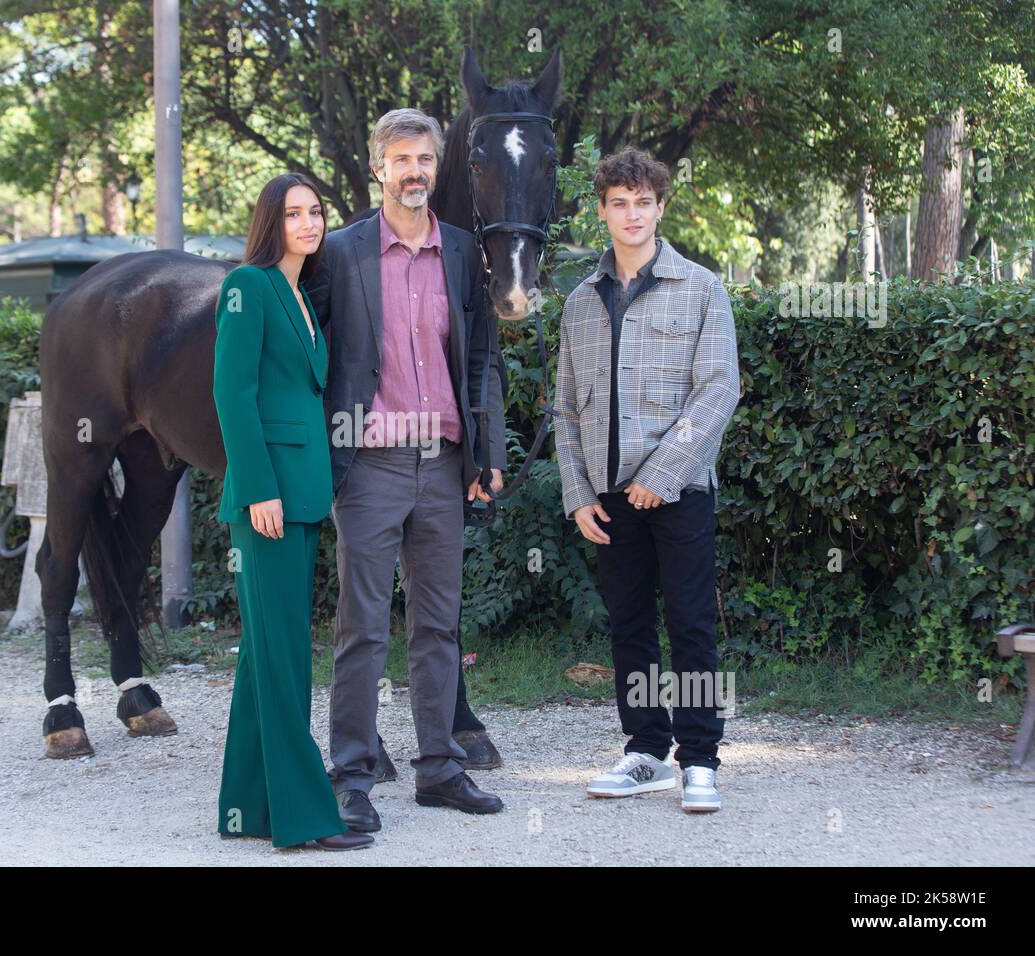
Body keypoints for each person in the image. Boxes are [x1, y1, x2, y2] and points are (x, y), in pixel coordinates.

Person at [305, 108, 507, 834]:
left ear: (435, 165)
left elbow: (483, 359)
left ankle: (439, 769)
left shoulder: (462, 253)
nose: (414, 172)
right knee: (362, 628)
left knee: (438, 625)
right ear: (378, 168)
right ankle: (352, 775)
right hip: (370, 467)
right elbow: (310, 356)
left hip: (446, 465)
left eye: (425, 159)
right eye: (401, 160)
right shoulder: (341, 252)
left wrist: (490, 454)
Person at [553, 146, 740, 813]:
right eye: (618, 203)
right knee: (628, 626)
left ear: (661, 207)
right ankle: (644, 750)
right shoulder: (580, 302)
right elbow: (565, 408)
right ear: (602, 210)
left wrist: (662, 475)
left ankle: (700, 759)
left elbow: (718, 391)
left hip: (680, 491)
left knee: (690, 624)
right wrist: (577, 495)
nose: (631, 214)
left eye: (643, 202)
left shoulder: (701, 289)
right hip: (607, 497)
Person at [213, 172, 373, 851]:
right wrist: (258, 489)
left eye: (316, 212)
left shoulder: (300, 293)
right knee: (283, 658)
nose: (309, 223)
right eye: (294, 214)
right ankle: (305, 816)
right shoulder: (247, 287)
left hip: (304, 496)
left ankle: (245, 807)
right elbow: (233, 394)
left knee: (264, 653)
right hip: (270, 499)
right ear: (269, 222)